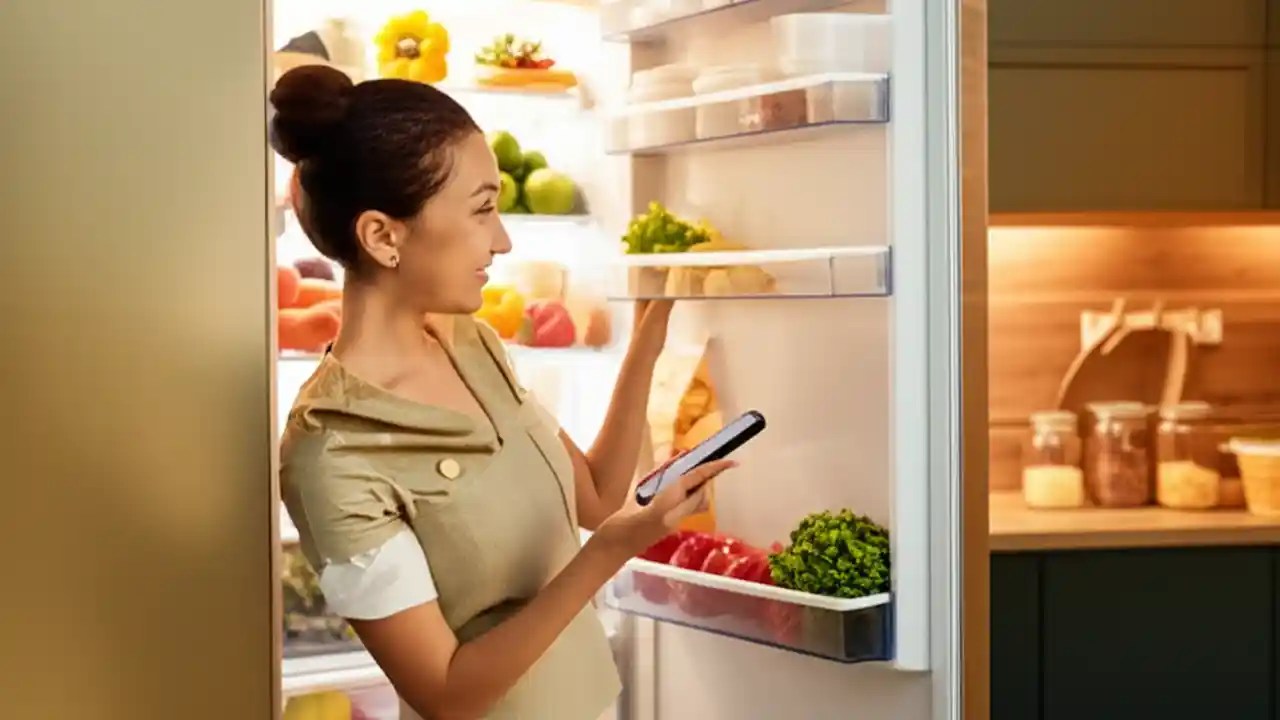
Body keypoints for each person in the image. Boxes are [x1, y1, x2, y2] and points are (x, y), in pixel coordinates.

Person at [272, 64, 735, 720]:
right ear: (383, 235)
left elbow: (600, 499)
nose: (503, 238)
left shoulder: (471, 343)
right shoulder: (332, 452)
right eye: (482, 209)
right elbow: (446, 693)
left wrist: (648, 340)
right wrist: (606, 555)